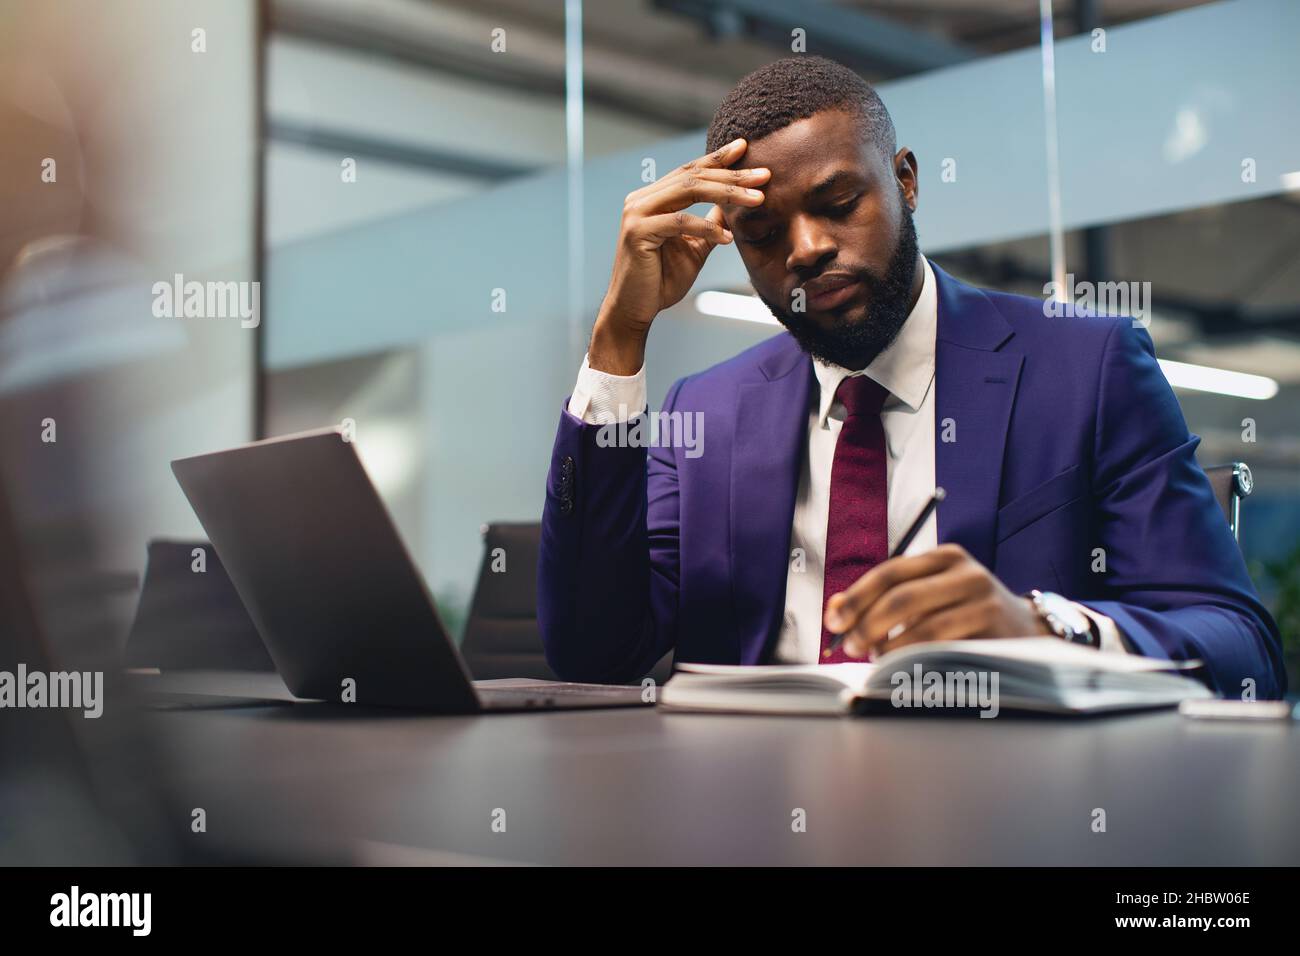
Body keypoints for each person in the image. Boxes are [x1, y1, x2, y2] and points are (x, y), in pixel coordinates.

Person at [537, 56, 1284, 698]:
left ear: (906, 182)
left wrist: (1043, 626)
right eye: (761, 235)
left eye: (838, 205)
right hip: (751, 806)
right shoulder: (706, 411)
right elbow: (595, 656)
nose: (806, 249)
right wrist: (618, 340)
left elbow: (1240, 648)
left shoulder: (1088, 369)